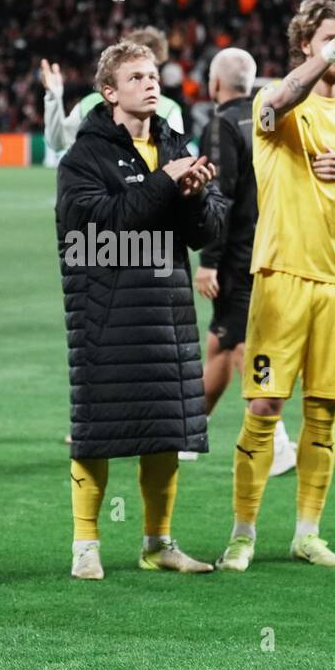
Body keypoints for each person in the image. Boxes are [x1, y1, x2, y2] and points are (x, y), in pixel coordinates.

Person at [215, 0, 335, 572]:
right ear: (306, 44)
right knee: (265, 403)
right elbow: (288, 96)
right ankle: (243, 532)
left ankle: (307, 533)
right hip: (281, 274)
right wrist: (330, 53)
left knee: (324, 411)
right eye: (330, 38)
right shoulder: (275, 101)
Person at [57, 40, 226, 580]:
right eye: (135, 77)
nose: (150, 83)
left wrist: (197, 196)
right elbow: (94, 228)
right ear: (109, 92)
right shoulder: (84, 157)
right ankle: (86, 545)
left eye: (153, 75)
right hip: (105, 309)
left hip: (168, 311)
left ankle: (159, 544)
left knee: (165, 428)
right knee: (97, 428)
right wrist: (165, 183)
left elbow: (207, 233)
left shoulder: (176, 145)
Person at [188, 46, 296, 474]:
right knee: (220, 340)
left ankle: (279, 442)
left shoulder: (222, 125)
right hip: (273, 246)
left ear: (215, 84)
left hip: (238, 256)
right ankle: (190, 431)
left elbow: (220, 195)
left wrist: (209, 261)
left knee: (239, 346)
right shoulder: (267, 118)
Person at [41, 26, 185, 154]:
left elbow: (173, 160)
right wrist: (53, 97)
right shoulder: (90, 104)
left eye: (151, 74)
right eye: (136, 75)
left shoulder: (169, 109)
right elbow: (58, 143)